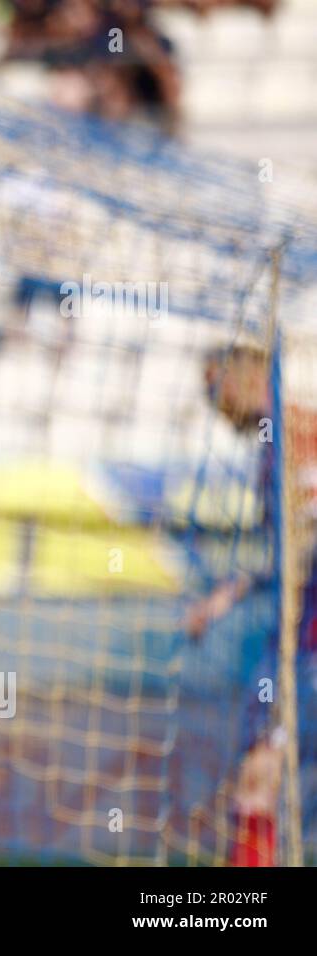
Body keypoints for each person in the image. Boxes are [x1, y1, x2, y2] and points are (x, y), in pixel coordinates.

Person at [187, 342, 317, 865]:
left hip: (307, 641)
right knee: (259, 772)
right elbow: (284, 552)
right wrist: (224, 597)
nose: (212, 402)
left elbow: (300, 542)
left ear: (243, 379)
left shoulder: (299, 435)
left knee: (260, 774)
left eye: (214, 388)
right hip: (299, 632)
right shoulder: (274, 446)